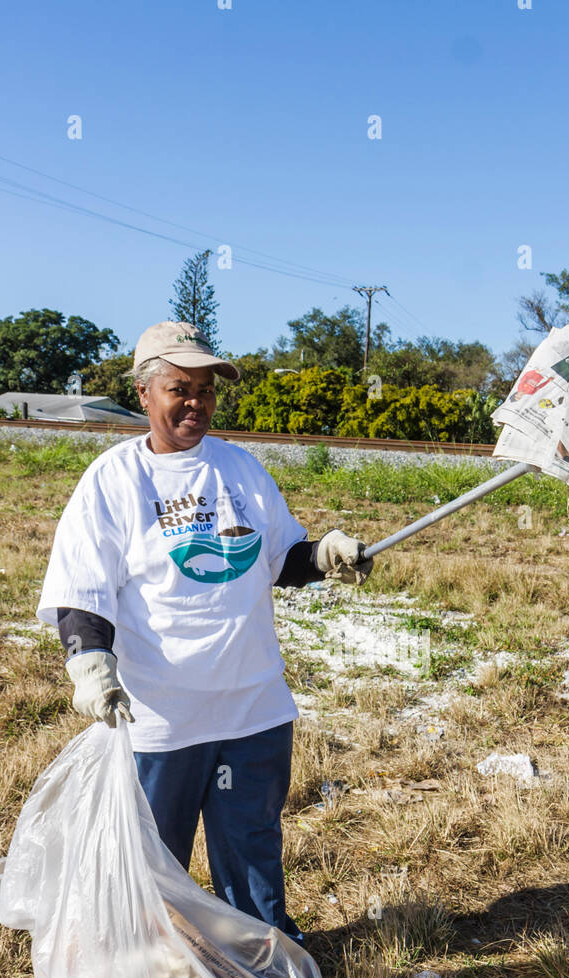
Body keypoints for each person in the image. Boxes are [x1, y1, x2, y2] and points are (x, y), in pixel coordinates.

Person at [37, 320, 372, 943]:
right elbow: (83, 590)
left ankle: (266, 975)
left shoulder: (239, 470)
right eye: (180, 388)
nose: (196, 402)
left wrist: (323, 553)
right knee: (153, 868)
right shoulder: (112, 482)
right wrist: (88, 661)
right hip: (163, 718)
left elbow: (280, 555)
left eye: (207, 390)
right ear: (144, 393)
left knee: (253, 862)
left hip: (253, 711)